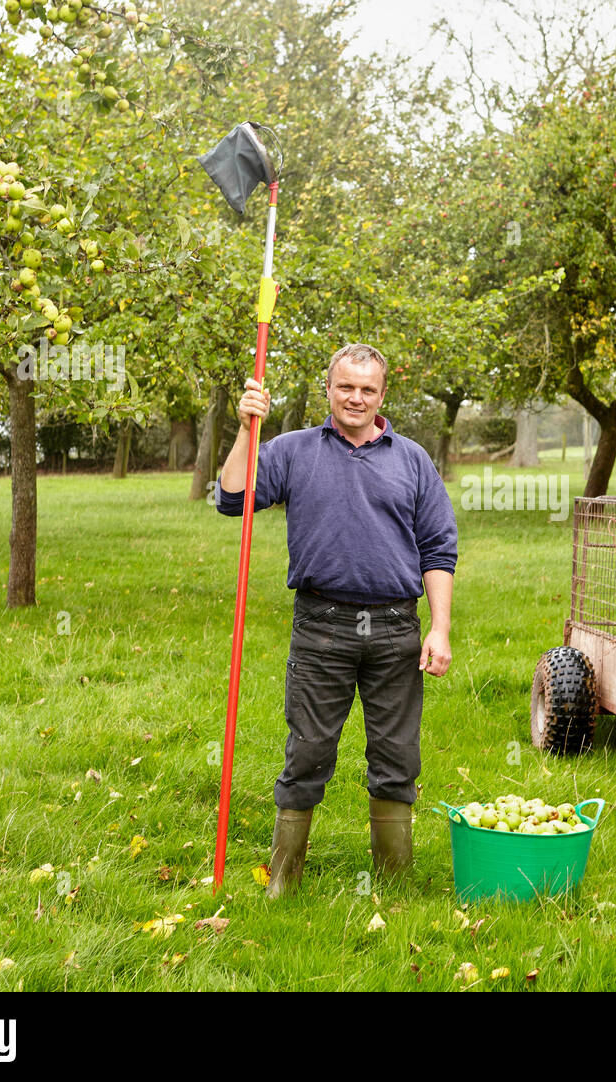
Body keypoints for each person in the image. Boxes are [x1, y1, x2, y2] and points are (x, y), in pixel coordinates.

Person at [215, 342, 457, 896]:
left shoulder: (412, 459)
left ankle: (395, 884)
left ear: (382, 395)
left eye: (367, 389)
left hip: (396, 629)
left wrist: (438, 628)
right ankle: (283, 881)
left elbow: (439, 549)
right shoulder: (294, 450)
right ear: (329, 388)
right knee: (308, 752)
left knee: (397, 756)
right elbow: (233, 499)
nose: (356, 397)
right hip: (321, 625)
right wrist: (246, 429)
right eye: (346, 386)